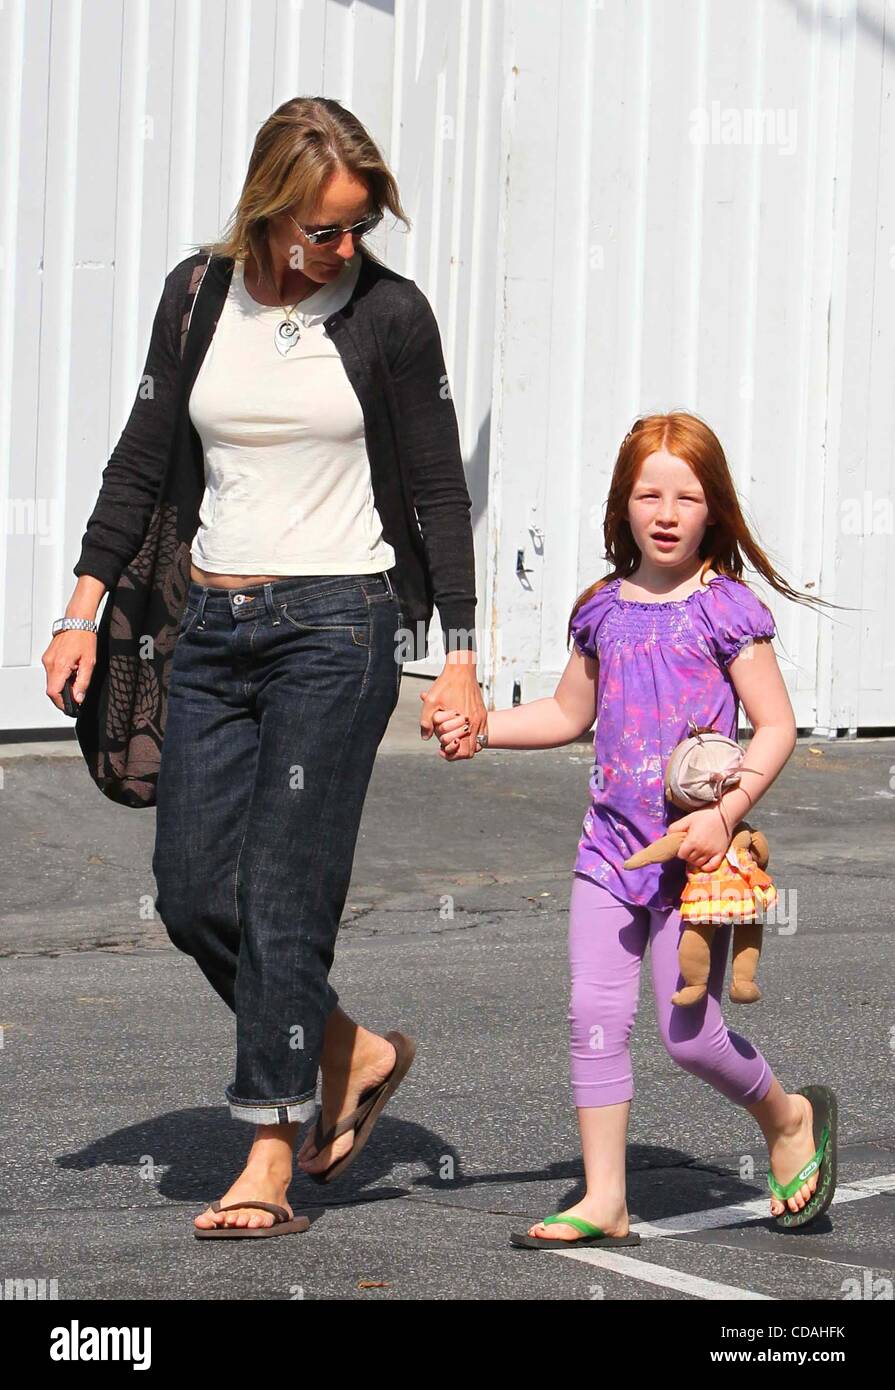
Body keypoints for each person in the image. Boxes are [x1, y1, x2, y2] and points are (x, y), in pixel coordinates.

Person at [43, 96, 487, 1238]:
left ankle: (269, 1157)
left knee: (285, 897)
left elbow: (438, 485)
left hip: (337, 628)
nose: (346, 249)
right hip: (213, 624)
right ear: (270, 211)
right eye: (325, 230)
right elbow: (143, 455)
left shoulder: (391, 317)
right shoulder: (197, 298)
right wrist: (82, 606)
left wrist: (463, 655)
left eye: (358, 226)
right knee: (194, 893)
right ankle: (353, 1050)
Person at [433, 411, 842, 1247]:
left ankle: (789, 1115)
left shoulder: (725, 611)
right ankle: (604, 1199)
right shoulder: (600, 611)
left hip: (698, 861)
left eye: (685, 497)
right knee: (591, 1013)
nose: (664, 511)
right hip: (609, 853)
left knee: (687, 1037)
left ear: (712, 509)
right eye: (646, 494)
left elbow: (775, 727)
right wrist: (482, 729)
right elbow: (563, 713)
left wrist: (724, 818)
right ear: (621, 505)